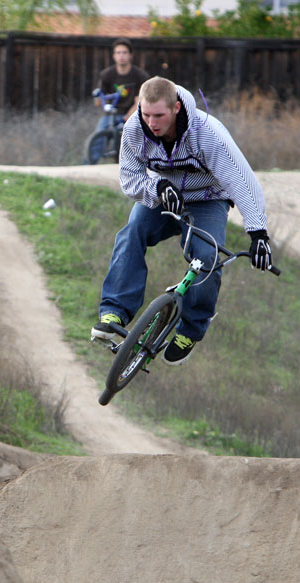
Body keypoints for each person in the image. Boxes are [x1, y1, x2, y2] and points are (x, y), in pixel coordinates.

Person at [90, 76, 274, 366]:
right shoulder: (134, 129)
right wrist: (157, 188)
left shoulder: (207, 132)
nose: (151, 123)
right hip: (164, 195)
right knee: (132, 231)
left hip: (208, 199)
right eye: (146, 114)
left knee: (207, 256)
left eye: (159, 115)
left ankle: (190, 330)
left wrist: (258, 233)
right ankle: (114, 312)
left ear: (176, 108)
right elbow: (129, 179)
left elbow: (241, 181)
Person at [87, 38, 149, 164]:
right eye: (118, 52)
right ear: (114, 56)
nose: (121, 56)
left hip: (132, 114)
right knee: (98, 136)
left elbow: (140, 101)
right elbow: (99, 99)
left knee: (139, 139)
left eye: (124, 52)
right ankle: (87, 166)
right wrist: (100, 101)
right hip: (111, 114)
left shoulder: (139, 75)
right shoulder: (106, 74)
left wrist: (127, 117)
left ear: (130, 55)